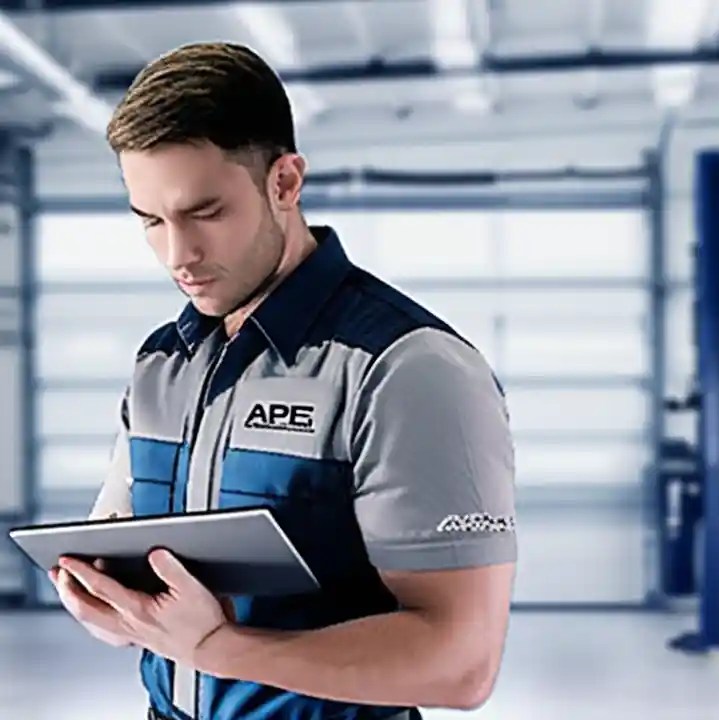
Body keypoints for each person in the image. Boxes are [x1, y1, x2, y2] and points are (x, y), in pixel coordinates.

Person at [46, 41, 517, 720]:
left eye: (207, 212)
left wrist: (218, 647)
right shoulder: (161, 365)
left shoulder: (408, 368)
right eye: (150, 220)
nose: (179, 254)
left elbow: (461, 664)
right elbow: (133, 591)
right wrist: (109, 605)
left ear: (285, 183)